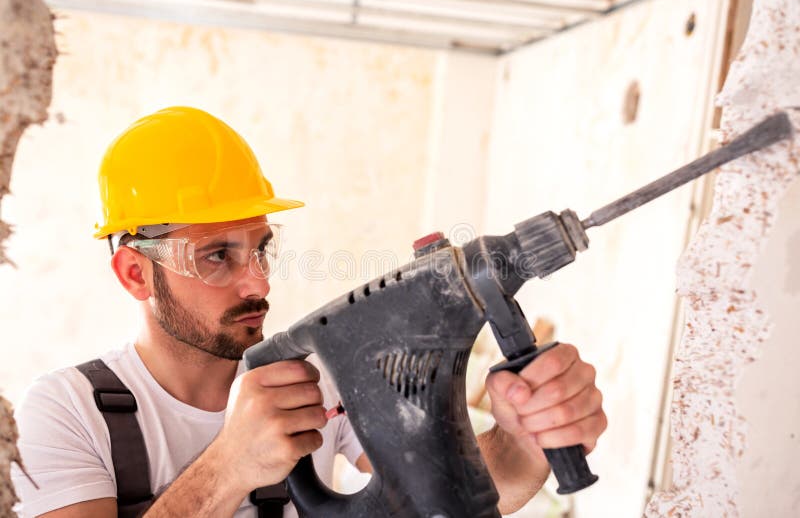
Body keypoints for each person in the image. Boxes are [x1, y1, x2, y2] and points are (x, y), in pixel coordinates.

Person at [11, 107, 607, 517]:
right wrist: (227, 467)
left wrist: (526, 439)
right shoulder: (66, 412)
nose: (257, 280)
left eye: (261, 248)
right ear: (136, 274)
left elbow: (456, 494)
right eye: (217, 255)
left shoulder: (322, 380)